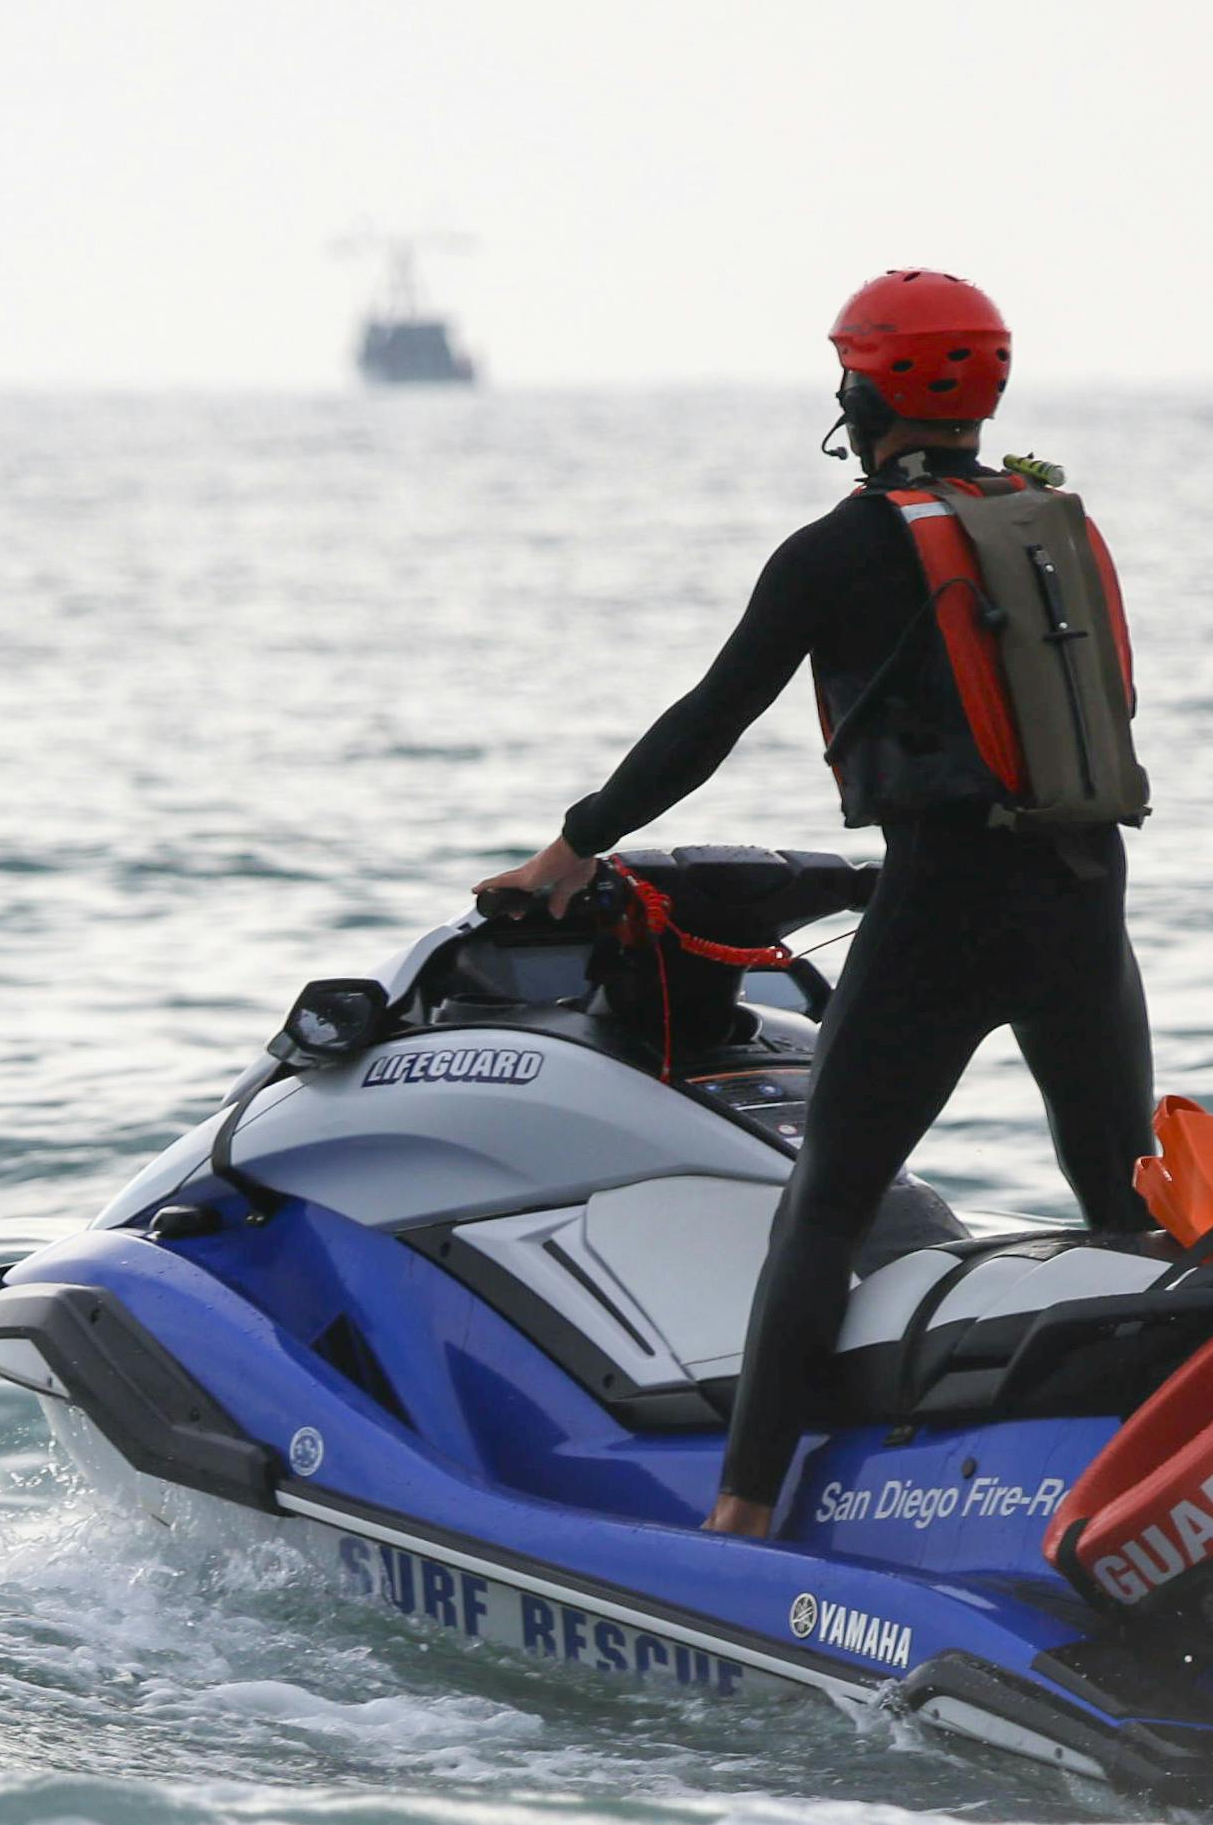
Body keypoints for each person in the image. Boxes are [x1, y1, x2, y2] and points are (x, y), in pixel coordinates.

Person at [487, 269, 1153, 1539]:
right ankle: (1136, 1472)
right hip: (1083, 901)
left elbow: (707, 720)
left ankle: (739, 1521)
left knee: (827, 1203)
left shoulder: (838, 551)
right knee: (1119, 1199)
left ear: (859, 385)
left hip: (941, 910)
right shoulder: (1050, 523)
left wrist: (570, 851)